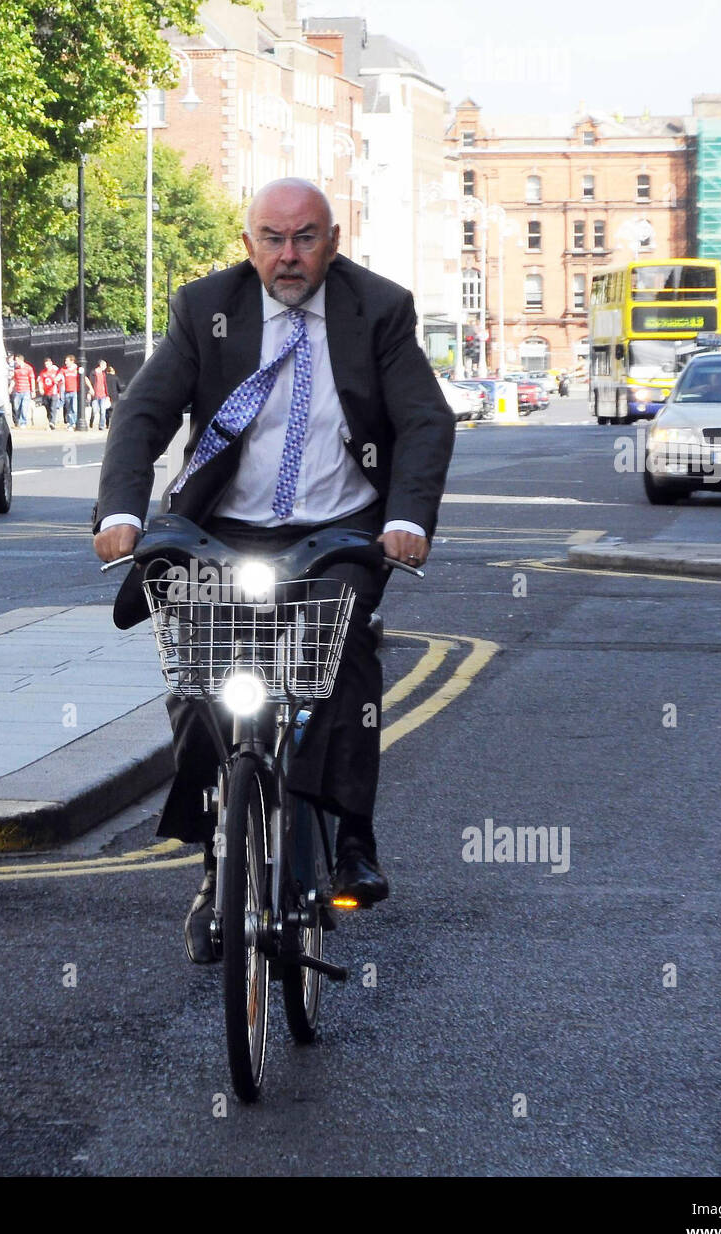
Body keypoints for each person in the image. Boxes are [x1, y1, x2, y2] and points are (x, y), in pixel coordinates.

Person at [94, 177, 455, 963]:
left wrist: (405, 518)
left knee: (340, 653)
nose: (288, 256)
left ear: (333, 238)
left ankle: (349, 832)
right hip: (221, 529)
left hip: (339, 531)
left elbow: (424, 417)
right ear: (248, 240)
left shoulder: (379, 309)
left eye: (305, 238)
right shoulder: (204, 308)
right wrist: (122, 509)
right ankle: (215, 858)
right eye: (272, 238)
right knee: (197, 683)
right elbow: (144, 413)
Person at [10, 353, 36, 427]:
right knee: (17, 407)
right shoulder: (16, 369)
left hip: (26, 391)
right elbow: (14, 379)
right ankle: (18, 421)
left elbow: (32, 379)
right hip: (18, 391)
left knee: (24, 407)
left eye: (16, 360)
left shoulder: (28, 368)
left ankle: (23, 422)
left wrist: (33, 390)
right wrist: (11, 387)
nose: (16, 362)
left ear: (21, 360)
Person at [38, 357, 62, 429]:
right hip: (46, 393)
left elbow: (60, 379)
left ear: (51, 363)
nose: (47, 365)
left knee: (53, 407)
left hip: (54, 392)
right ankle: (50, 420)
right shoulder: (43, 372)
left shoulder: (55, 371)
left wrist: (57, 384)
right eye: (45, 364)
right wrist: (40, 388)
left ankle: (52, 422)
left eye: (48, 364)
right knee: (47, 407)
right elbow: (40, 381)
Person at [91, 358, 112, 430]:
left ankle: (101, 426)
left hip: (103, 395)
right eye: (105, 365)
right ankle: (91, 422)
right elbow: (91, 382)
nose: (105, 367)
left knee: (103, 411)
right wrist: (89, 392)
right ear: (101, 365)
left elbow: (105, 384)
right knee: (94, 410)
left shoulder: (104, 374)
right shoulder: (94, 373)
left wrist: (107, 395)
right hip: (95, 395)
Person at [62, 354, 81, 428]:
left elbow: (84, 378)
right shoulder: (64, 369)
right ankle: (70, 423)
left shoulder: (77, 369)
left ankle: (74, 423)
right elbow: (59, 376)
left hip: (74, 391)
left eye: (67, 361)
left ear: (72, 361)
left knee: (74, 408)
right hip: (67, 391)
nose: (65, 362)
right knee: (69, 409)